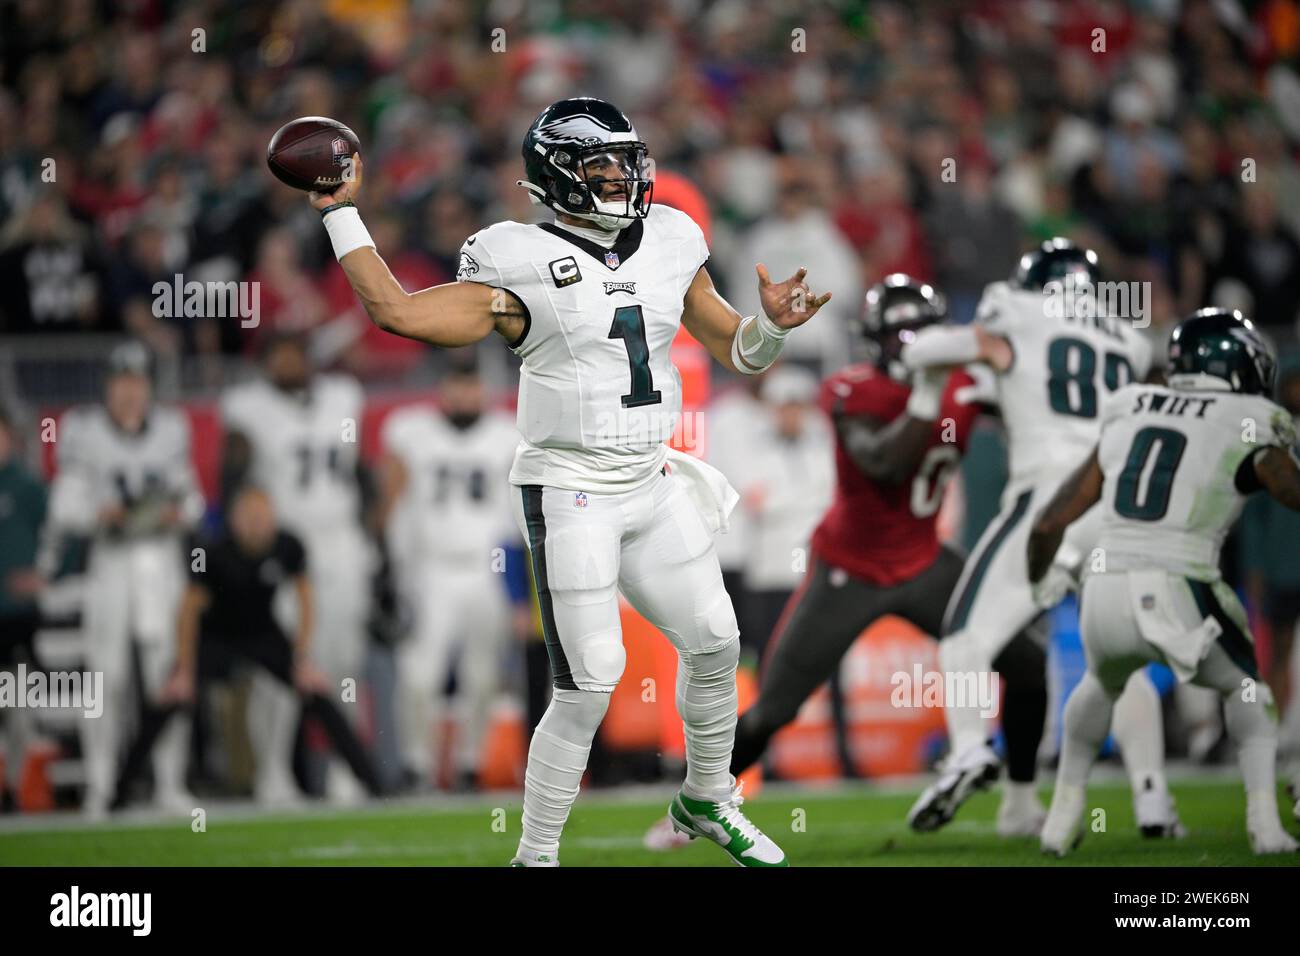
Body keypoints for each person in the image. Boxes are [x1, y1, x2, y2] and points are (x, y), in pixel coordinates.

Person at [310, 96, 834, 867]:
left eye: (626, 161)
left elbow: (741, 354)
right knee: (590, 682)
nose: (622, 178)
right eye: (601, 165)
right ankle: (536, 854)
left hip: (653, 482)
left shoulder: (671, 238)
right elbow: (397, 313)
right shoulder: (514, 255)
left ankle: (707, 798)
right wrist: (341, 214)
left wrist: (774, 327)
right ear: (557, 176)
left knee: (718, 642)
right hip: (571, 486)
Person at [902, 239, 1180, 838]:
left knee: (964, 638)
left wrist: (929, 376)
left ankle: (972, 749)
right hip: (1113, 507)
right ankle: (1154, 799)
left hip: (1048, 499)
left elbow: (934, 347)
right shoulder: (1130, 339)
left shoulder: (1015, 311)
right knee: (1121, 663)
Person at [1030, 309, 1299, 855]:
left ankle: (1060, 820)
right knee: (1247, 689)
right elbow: (1291, 491)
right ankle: (1266, 827)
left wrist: (1038, 581)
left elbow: (1050, 520)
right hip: (1179, 586)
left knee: (1099, 685)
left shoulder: (1131, 406)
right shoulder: (1250, 417)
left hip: (1104, 589)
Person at [42, 341, 203, 817]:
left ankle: (170, 783)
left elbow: (193, 500)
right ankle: (101, 784)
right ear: (109, 386)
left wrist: (176, 511)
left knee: (168, 673)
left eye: (138, 381)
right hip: (111, 559)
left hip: (159, 556)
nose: (131, 391)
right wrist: (100, 512)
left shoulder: (172, 429)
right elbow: (64, 506)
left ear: (149, 386)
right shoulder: (83, 429)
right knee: (104, 678)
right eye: (122, 381)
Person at [220, 332, 376, 801]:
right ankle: (273, 774)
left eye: (295, 353)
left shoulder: (344, 395)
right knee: (282, 662)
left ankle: (345, 771)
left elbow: (359, 474)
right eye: (279, 354)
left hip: (342, 542)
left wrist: (374, 537)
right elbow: (233, 479)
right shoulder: (247, 407)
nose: (288, 362)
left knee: (345, 662)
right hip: (285, 548)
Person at [157, 485, 382, 803]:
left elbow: (305, 599)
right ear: (234, 520)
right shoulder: (212, 551)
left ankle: (374, 784)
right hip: (218, 637)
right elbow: (189, 609)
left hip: (263, 635)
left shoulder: (287, 545)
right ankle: (129, 790)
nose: (256, 525)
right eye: (249, 518)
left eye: (262, 518)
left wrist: (302, 657)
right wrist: (183, 666)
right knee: (169, 697)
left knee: (318, 693)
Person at [376, 359, 520, 791]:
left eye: (472, 386)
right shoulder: (411, 432)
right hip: (431, 568)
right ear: (442, 388)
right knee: (419, 674)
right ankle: (416, 764)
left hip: (487, 566)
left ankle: (470, 763)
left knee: (483, 675)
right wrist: (390, 564)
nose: (464, 396)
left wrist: (518, 589)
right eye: (456, 386)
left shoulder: (506, 433)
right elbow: (392, 491)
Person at [0, 408, 48, 812]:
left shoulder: (29, 488)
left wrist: (43, 574)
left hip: (16, 618)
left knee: (17, 704)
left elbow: (61, 537)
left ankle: (13, 784)